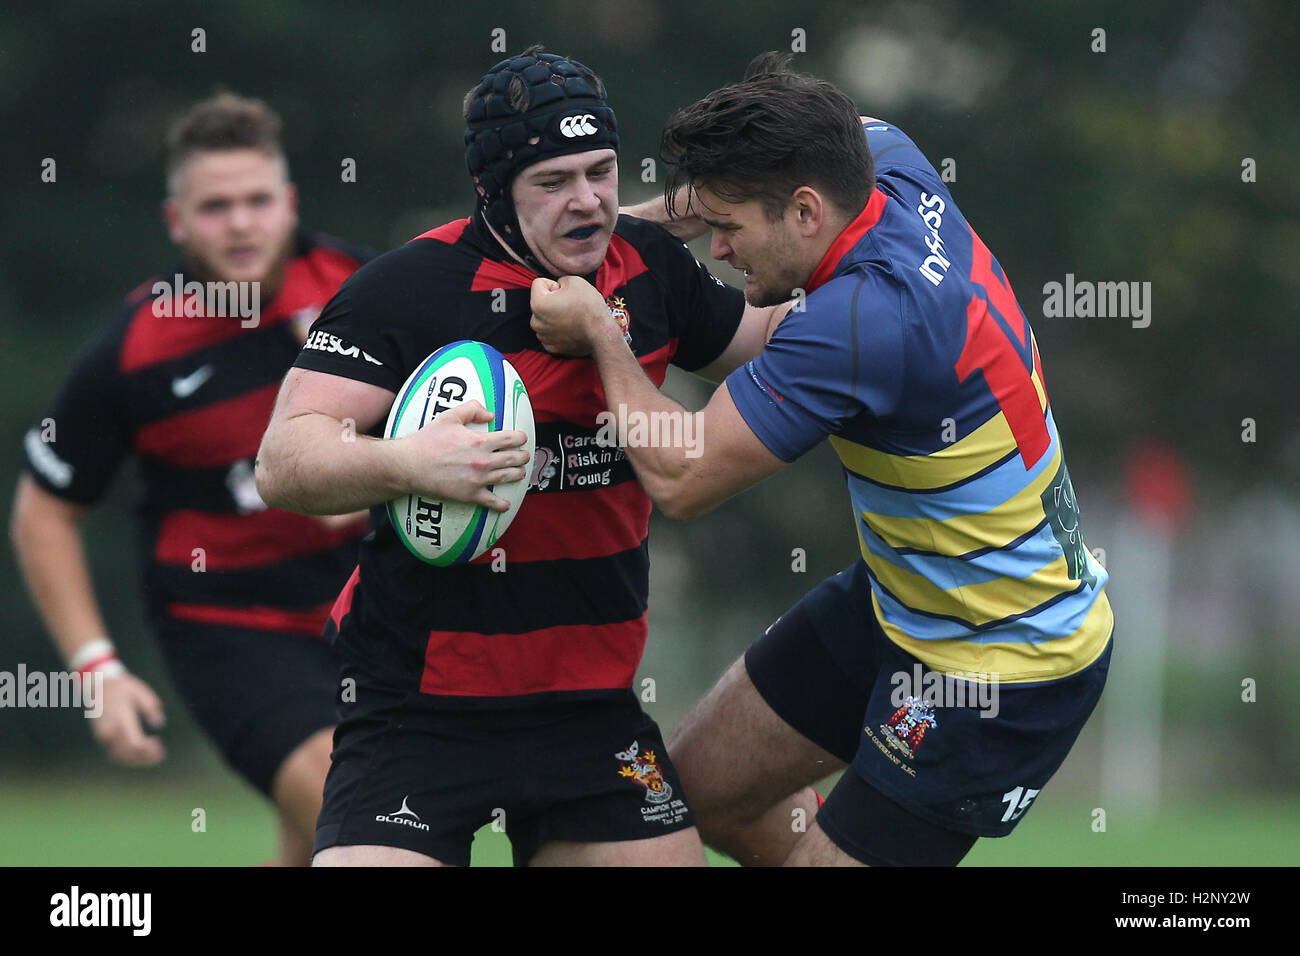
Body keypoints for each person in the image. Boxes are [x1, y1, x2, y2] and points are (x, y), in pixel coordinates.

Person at [529, 53, 1115, 867]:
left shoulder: (863, 323)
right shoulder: (884, 158)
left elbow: (684, 475)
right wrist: (614, 227)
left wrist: (599, 331)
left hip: (1001, 662)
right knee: (689, 799)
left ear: (804, 211)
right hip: (899, 598)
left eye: (731, 229)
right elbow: (737, 196)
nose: (720, 246)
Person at [254, 46, 789, 867]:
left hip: (591, 709)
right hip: (416, 710)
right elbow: (282, 461)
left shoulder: (648, 271)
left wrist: (867, 260)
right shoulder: (411, 287)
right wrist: (409, 463)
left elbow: (765, 344)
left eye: (602, 171)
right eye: (554, 182)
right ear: (493, 189)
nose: (588, 202)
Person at [11, 92, 373, 866]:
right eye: (215, 207)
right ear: (177, 222)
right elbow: (43, 514)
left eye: (255, 200)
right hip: (228, 627)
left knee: (319, 839)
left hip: (365, 606)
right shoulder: (134, 350)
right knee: (358, 807)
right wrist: (97, 672)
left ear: (289, 204)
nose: (240, 223)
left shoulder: (359, 291)